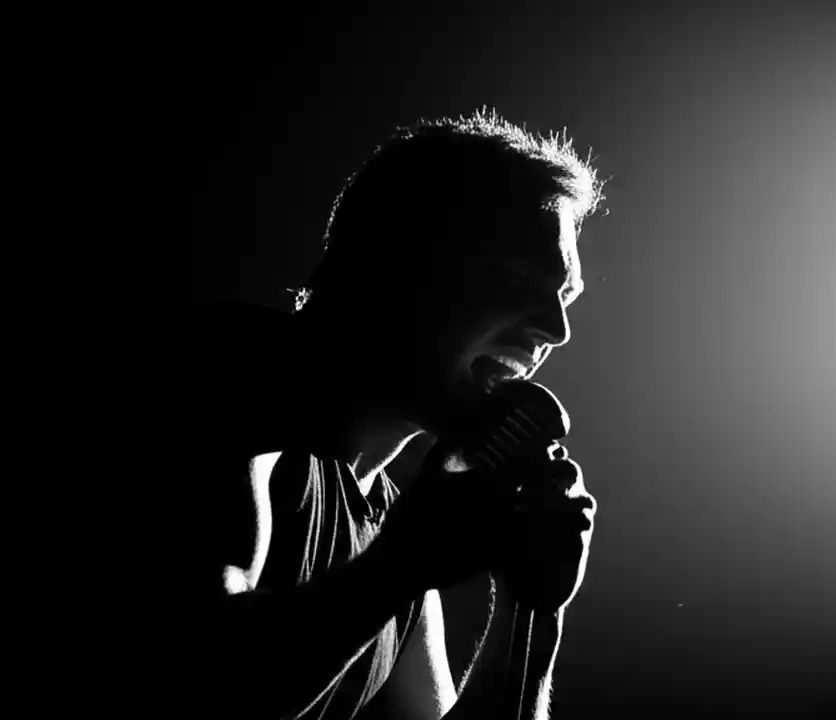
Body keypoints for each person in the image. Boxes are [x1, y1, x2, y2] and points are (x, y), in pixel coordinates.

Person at [154, 109, 605, 719]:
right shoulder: (212, 373)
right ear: (395, 265)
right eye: (515, 280)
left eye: (564, 295)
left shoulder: (388, 524)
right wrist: (406, 563)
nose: (557, 329)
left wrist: (535, 610)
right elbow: (195, 684)